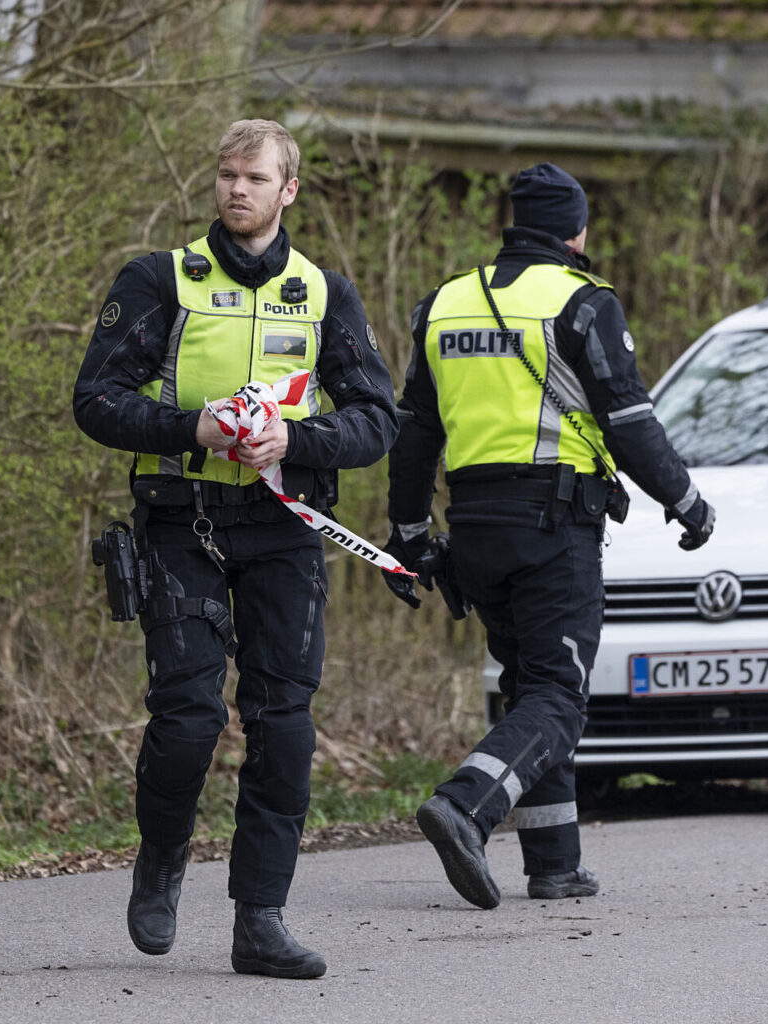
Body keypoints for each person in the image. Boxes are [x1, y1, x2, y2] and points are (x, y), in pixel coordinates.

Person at [73, 119, 397, 978]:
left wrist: (294, 439)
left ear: (288, 189)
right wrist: (194, 427)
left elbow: (376, 421)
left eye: (254, 177)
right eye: (225, 175)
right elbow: (94, 400)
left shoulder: (324, 292)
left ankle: (261, 918)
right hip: (182, 525)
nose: (235, 190)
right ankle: (160, 866)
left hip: (284, 530)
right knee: (187, 720)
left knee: (284, 726)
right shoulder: (159, 281)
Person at [383, 162, 714, 909]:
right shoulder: (583, 303)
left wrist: (408, 535)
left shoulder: (442, 304)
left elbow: (414, 436)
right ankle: (466, 804)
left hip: (473, 530)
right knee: (559, 694)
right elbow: (629, 422)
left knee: (532, 686)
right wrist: (686, 501)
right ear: (576, 230)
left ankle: (555, 864)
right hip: (553, 526)